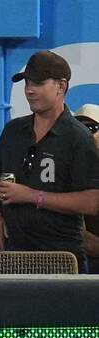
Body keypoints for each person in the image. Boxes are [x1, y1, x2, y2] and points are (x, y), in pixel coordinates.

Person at [0, 51, 99, 271]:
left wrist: (31, 196)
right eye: (27, 82)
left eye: (38, 83)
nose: (29, 90)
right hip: (14, 254)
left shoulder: (78, 138)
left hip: (61, 256)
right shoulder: (13, 131)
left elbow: (92, 201)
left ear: (61, 86)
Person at [75, 104, 99, 273]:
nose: (84, 134)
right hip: (72, 262)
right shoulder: (66, 171)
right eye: (79, 129)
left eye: (91, 128)